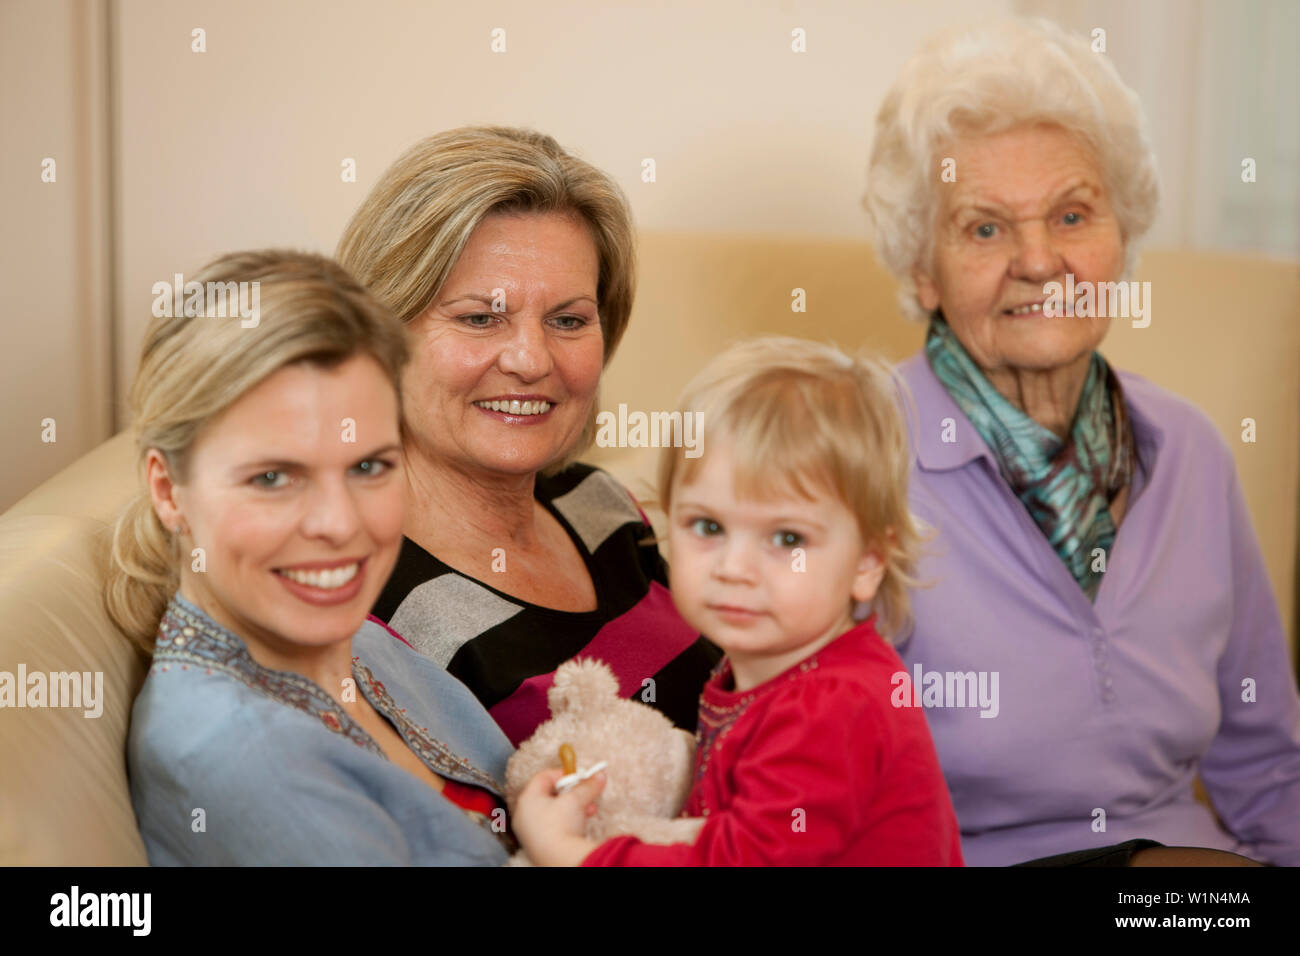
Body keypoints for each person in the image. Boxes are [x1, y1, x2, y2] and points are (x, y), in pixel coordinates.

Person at [863, 17, 1300, 866]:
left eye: (1071, 215)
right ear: (922, 267)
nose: (1038, 260)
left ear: (1121, 237)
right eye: (985, 228)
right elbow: (813, 785)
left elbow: (1270, 767)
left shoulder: (1191, 451)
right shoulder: (851, 454)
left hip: (1193, 894)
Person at [113, 250, 515, 865]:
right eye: (274, 477)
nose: (340, 524)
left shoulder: (365, 645)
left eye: (369, 466)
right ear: (169, 491)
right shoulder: (241, 758)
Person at [510, 337, 965, 866]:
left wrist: (571, 854)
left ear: (867, 561)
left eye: (788, 538)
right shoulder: (773, 665)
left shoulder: (832, 708)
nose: (734, 568)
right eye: (708, 526)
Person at [337, 127, 721, 747]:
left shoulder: (598, 504)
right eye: (480, 318)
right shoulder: (370, 609)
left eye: (568, 320)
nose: (530, 359)